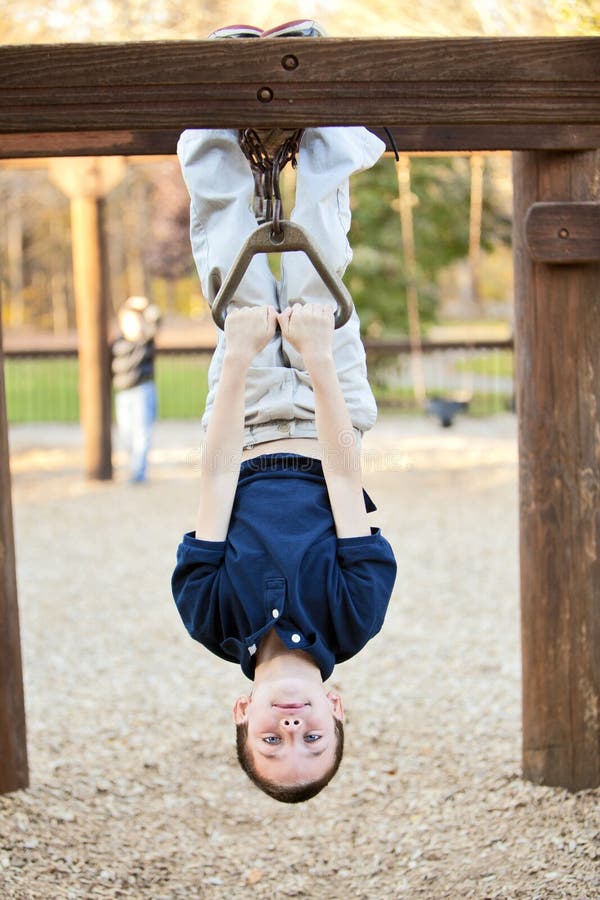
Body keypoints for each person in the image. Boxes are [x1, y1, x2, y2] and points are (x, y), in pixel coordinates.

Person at [171, 21, 397, 803]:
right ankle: (335, 121)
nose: (291, 725)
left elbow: (213, 477)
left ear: (242, 711)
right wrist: (317, 355)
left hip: (248, 416)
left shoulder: (207, 613)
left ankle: (216, 91)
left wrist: (235, 361)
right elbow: (344, 472)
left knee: (231, 255)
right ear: (338, 710)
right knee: (317, 256)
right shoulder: (354, 616)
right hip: (324, 412)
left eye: (272, 739)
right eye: (311, 737)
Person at [112, 296, 160, 483]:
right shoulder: (117, 343)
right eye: (129, 322)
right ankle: (134, 466)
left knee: (141, 432)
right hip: (123, 394)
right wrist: (126, 307)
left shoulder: (145, 342)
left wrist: (144, 305)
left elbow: (156, 319)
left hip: (142, 391)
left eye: (137, 322)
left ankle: (138, 473)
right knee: (126, 434)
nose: (134, 326)